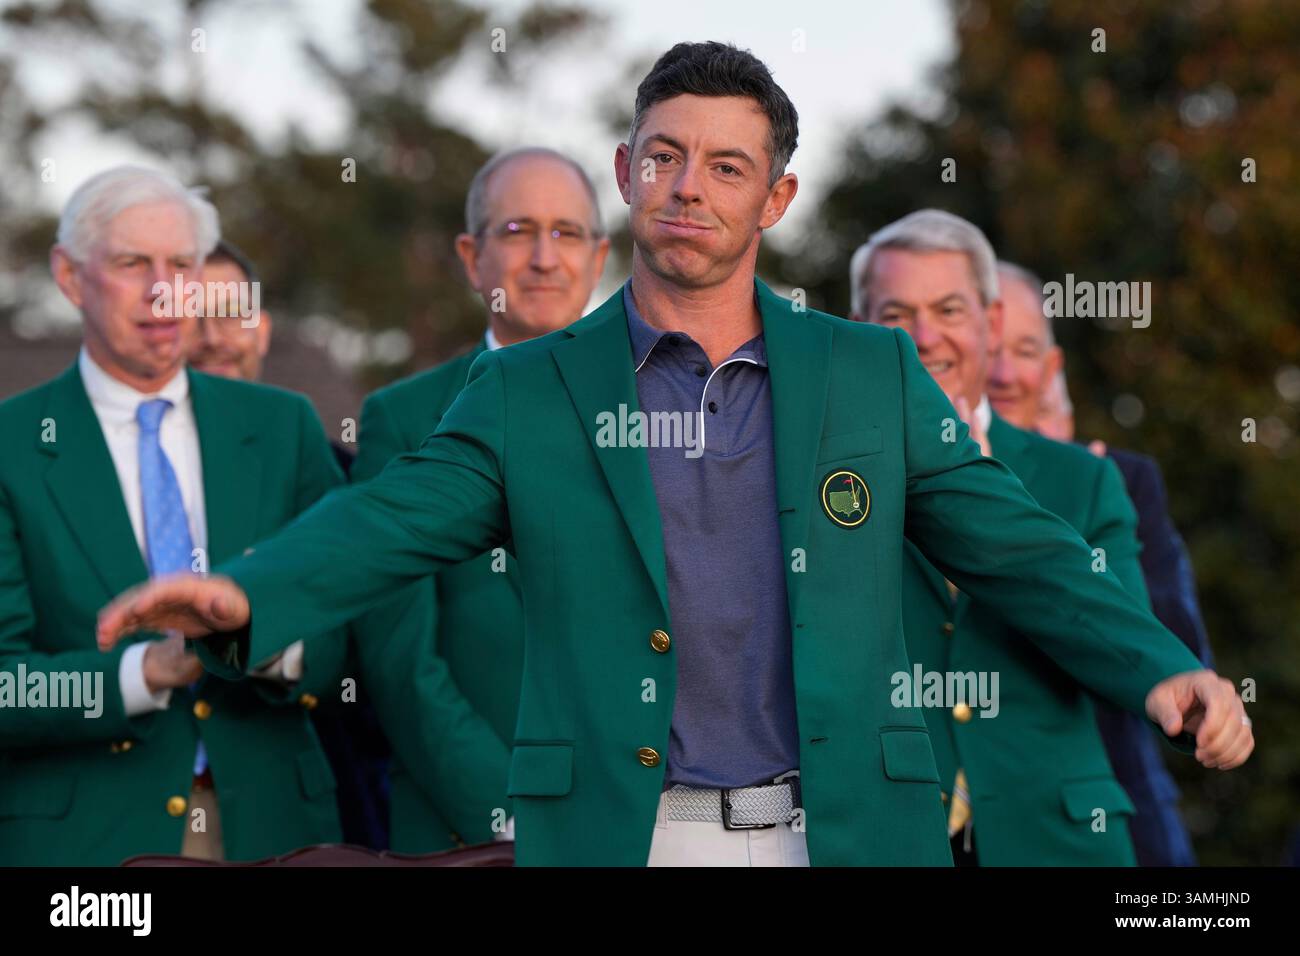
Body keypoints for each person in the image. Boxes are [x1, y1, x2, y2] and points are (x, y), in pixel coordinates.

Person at [97, 43, 1252, 868]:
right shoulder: (528, 389)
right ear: (626, 170)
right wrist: (249, 592)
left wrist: (1156, 663)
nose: (688, 186)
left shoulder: (869, 372)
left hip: (847, 831)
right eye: (664, 156)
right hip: (623, 834)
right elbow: (391, 516)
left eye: (726, 166)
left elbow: (1019, 545)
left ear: (777, 197)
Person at [0, 166, 345, 864]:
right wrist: (147, 670)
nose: (164, 291)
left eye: (181, 265)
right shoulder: (12, 445)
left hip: (275, 831)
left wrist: (252, 639)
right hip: (90, 849)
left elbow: (342, 630)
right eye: (133, 264)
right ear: (69, 276)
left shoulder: (283, 427)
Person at [851, 209, 1178, 865]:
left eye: (948, 310)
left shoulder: (1083, 479)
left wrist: (1181, 680)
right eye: (897, 315)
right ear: (860, 327)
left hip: (1057, 840)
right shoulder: (822, 472)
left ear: (992, 322)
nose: (925, 338)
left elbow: (1118, 641)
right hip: (883, 837)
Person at [351, 147, 609, 851]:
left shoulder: (668, 410)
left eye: (566, 233)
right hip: (465, 836)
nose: (545, 259)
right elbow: (399, 659)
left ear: (598, 257)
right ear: (472, 258)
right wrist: (509, 820)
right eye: (518, 230)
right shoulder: (402, 420)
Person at [992, 261, 1214, 865]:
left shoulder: (1115, 481)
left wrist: (1081, 513)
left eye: (1025, 350)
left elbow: (1177, 646)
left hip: (1119, 811)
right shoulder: (914, 482)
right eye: (991, 348)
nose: (1005, 373)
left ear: (1051, 369)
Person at [188, 238, 393, 849]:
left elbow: (381, 661)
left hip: (301, 820)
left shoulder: (347, 479)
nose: (213, 337)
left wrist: (259, 629)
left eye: (231, 313)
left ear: (263, 330)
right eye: (192, 315)